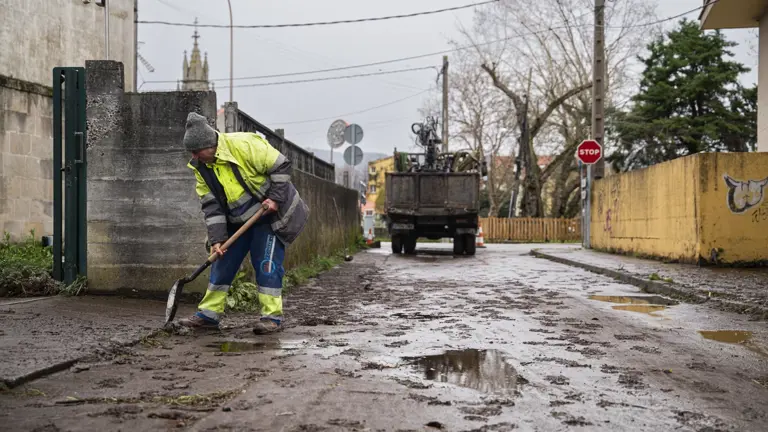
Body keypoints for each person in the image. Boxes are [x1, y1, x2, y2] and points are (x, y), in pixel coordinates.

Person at [178, 112, 309, 334]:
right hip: (235, 221)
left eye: (197, 151)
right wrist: (217, 239)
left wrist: (275, 199)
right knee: (221, 264)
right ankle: (208, 316)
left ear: (210, 145)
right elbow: (211, 206)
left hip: (266, 216)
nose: (194, 157)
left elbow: (281, 165)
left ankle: (271, 318)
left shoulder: (245, 145)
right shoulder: (201, 168)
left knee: (266, 265)